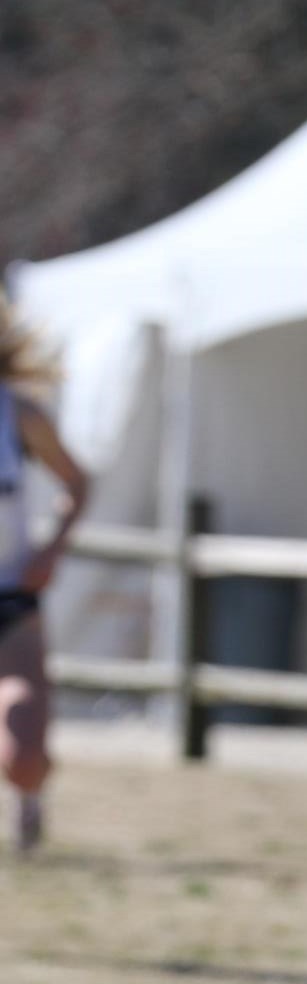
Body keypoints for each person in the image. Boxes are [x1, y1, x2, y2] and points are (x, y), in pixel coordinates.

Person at [0, 301, 89, 853]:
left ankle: (29, 795)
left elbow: (77, 483)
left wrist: (51, 550)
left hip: (10, 594)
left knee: (25, 760)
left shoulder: (19, 415)